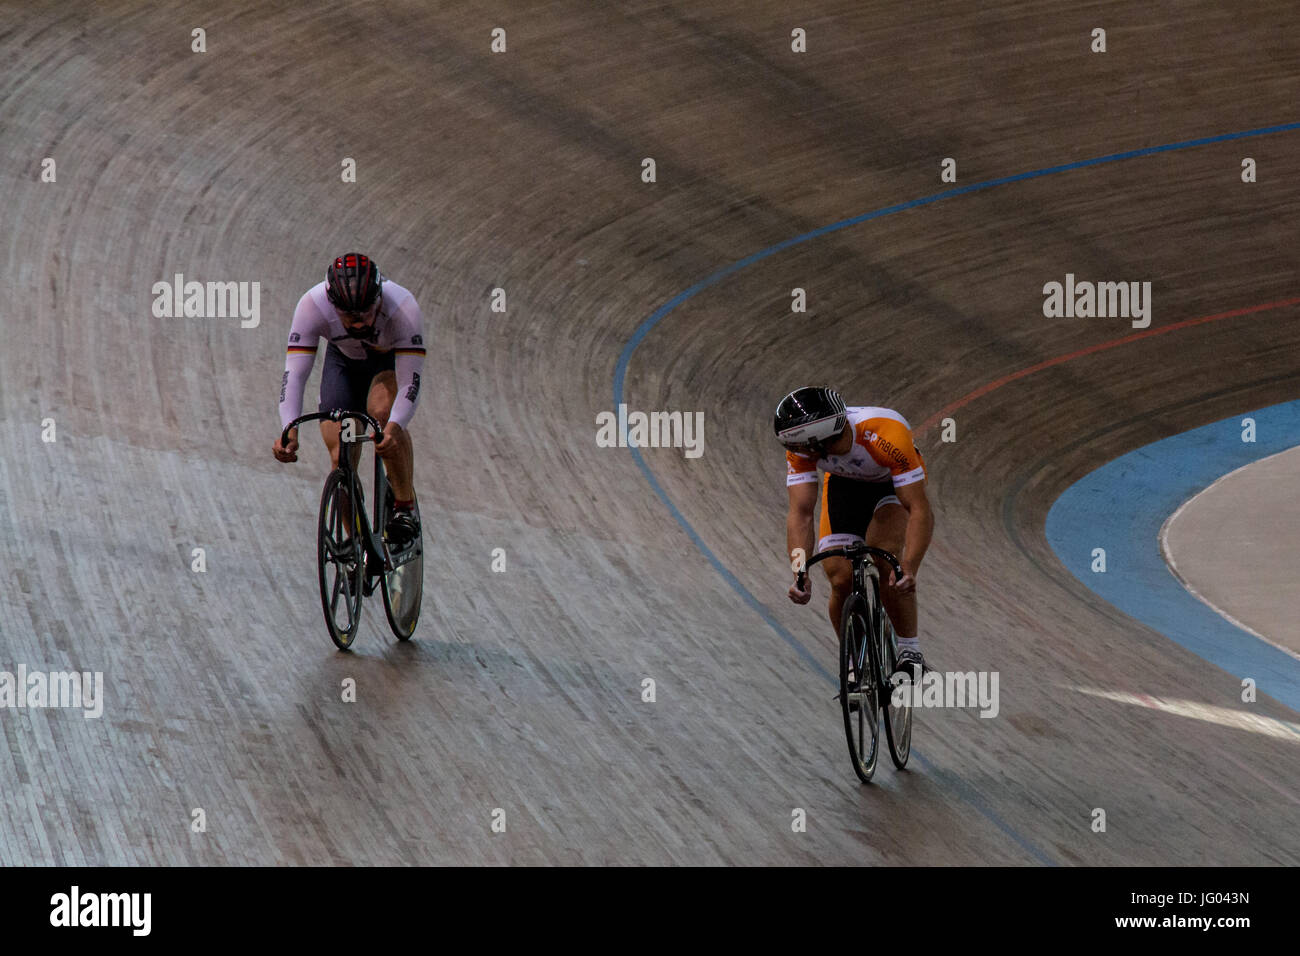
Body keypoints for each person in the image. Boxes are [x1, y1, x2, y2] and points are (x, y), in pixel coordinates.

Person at [775, 386, 935, 677]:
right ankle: (854, 661)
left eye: (799, 448)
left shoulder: (887, 433)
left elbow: (918, 509)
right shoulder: (803, 447)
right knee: (839, 577)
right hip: (844, 487)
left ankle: (910, 650)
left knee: (885, 555)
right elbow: (800, 514)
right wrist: (800, 572)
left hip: (890, 486)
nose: (794, 453)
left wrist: (909, 567)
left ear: (818, 443)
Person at [272, 253, 426, 549]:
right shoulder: (312, 305)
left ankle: (405, 509)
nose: (358, 323)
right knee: (341, 454)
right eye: (348, 316)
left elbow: (410, 382)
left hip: (386, 364)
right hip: (343, 365)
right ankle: (355, 542)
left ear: (379, 297)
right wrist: (289, 429)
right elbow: (294, 374)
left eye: (366, 312)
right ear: (332, 304)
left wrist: (395, 427)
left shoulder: (403, 307)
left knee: (383, 415)